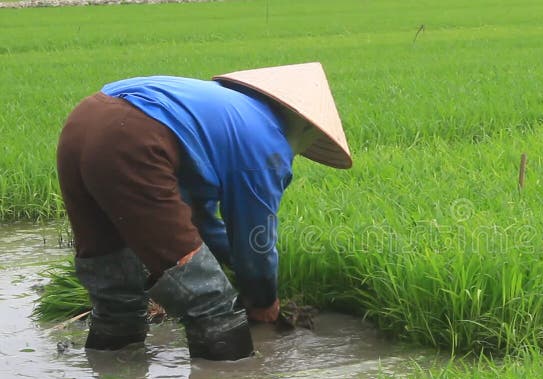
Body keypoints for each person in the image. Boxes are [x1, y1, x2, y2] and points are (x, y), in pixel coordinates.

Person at [56, 62, 352, 361]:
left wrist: (230, 262)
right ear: (304, 125)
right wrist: (263, 300)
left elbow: (200, 222)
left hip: (82, 123)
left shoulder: (226, 116)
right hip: (133, 138)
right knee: (213, 305)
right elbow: (255, 240)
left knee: (116, 294)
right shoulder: (266, 144)